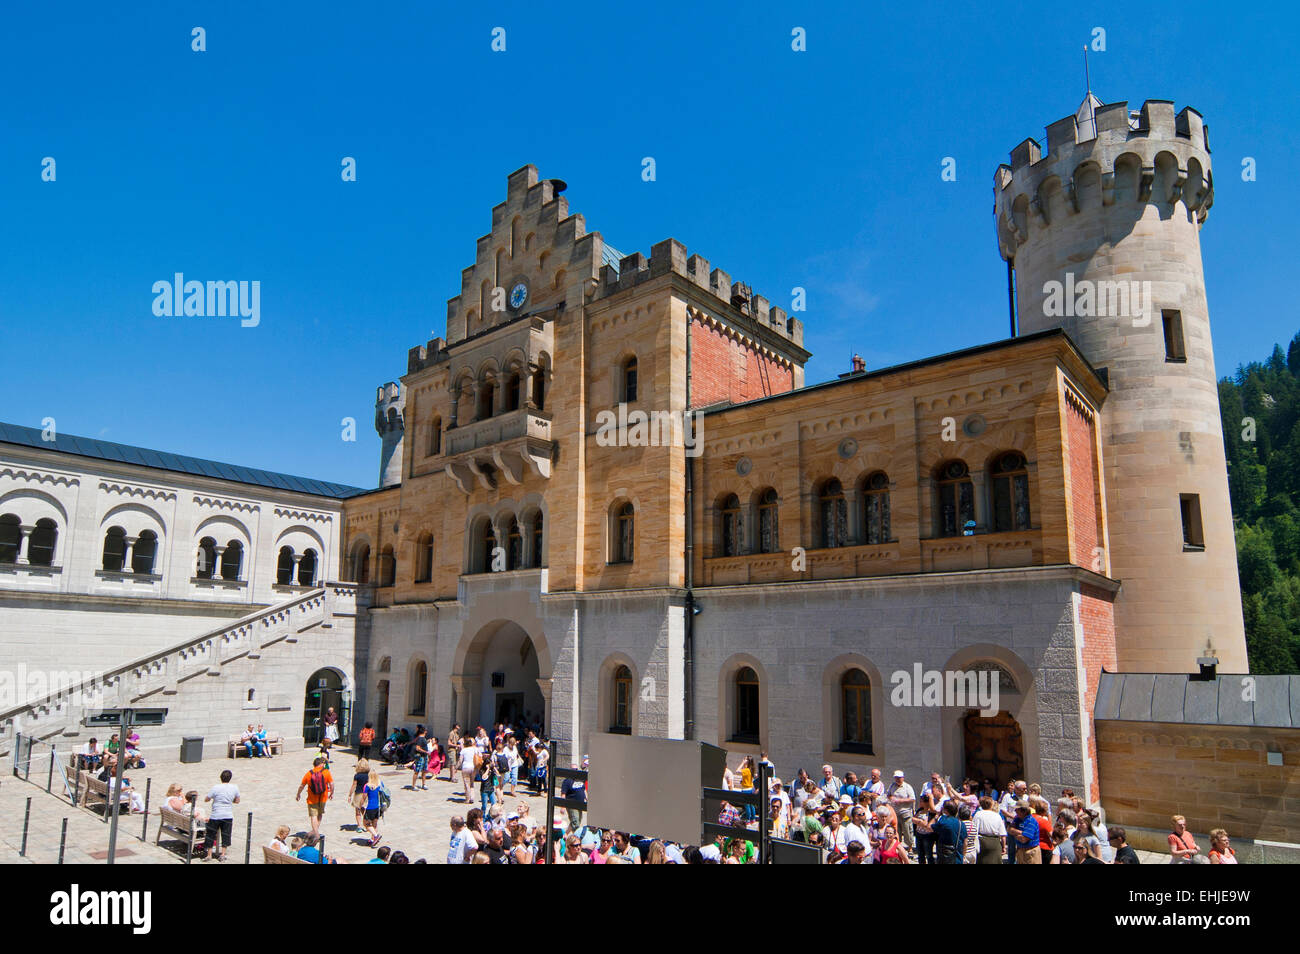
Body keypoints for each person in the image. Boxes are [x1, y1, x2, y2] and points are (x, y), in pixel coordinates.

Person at [201, 769, 240, 862]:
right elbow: (237, 800)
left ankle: (209, 854)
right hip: (227, 814)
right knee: (226, 834)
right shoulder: (234, 787)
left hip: (216, 814)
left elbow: (207, 799)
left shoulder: (216, 787)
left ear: (220, 777)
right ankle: (223, 854)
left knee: (211, 834)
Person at [296, 757, 334, 837]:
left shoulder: (309, 773)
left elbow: (302, 785)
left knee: (313, 815)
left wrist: (298, 794)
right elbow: (331, 784)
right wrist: (331, 793)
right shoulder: (326, 772)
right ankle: (316, 832)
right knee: (319, 814)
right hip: (323, 797)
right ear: (321, 764)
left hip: (312, 798)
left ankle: (315, 832)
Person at [887, 769, 916, 854]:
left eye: (899, 778)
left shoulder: (907, 787)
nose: (897, 780)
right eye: (896, 778)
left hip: (905, 812)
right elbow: (888, 794)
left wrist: (900, 800)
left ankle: (910, 847)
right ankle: (897, 845)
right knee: (897, 830)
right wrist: (891, 798)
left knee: (907, 830)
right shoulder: (892, 786)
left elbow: (912, 799)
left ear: (903, 778)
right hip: (895, 812)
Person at [973, 796, 1007, 864]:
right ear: (991, 804)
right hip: (994, 842)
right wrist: (1004, 847)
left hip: (981, 842)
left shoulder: (978, 814)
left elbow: (974, 830)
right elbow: (1003, 834)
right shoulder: (997, 816)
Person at [933, 799, 967, 864]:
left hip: (945, 857)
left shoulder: (943, 821)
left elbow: (929, 828)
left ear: (946, 810)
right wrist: (963, 856)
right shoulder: (961, 824)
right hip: (957, 858)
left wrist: (936, 816)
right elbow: (965, 842)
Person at [362, 769, 385, 846]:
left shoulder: (367, 786)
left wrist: (360, 805)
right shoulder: (380, 784)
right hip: (377, 807)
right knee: (374, 823)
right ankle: (372, 840)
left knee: (366, 823)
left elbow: (364, 797)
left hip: (370, 807)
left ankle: (375, 836)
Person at [347, 758, 371, 830]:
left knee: (357, 811)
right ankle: (366, 824)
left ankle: (359, 826)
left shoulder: (357, 775)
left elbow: (354, 785)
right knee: (364, 810)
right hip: (366, 794)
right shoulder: (368, 775)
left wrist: (350, 795)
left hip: (358, 794)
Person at [459, 736, 478, 802]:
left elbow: (460, 760)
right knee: (472, 783)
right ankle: (472, 797)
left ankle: (468, 798)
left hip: (466, 767)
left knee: (467, 783)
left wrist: (456, 767)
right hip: (473, 767)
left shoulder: (463, 750)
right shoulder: (475, 749)